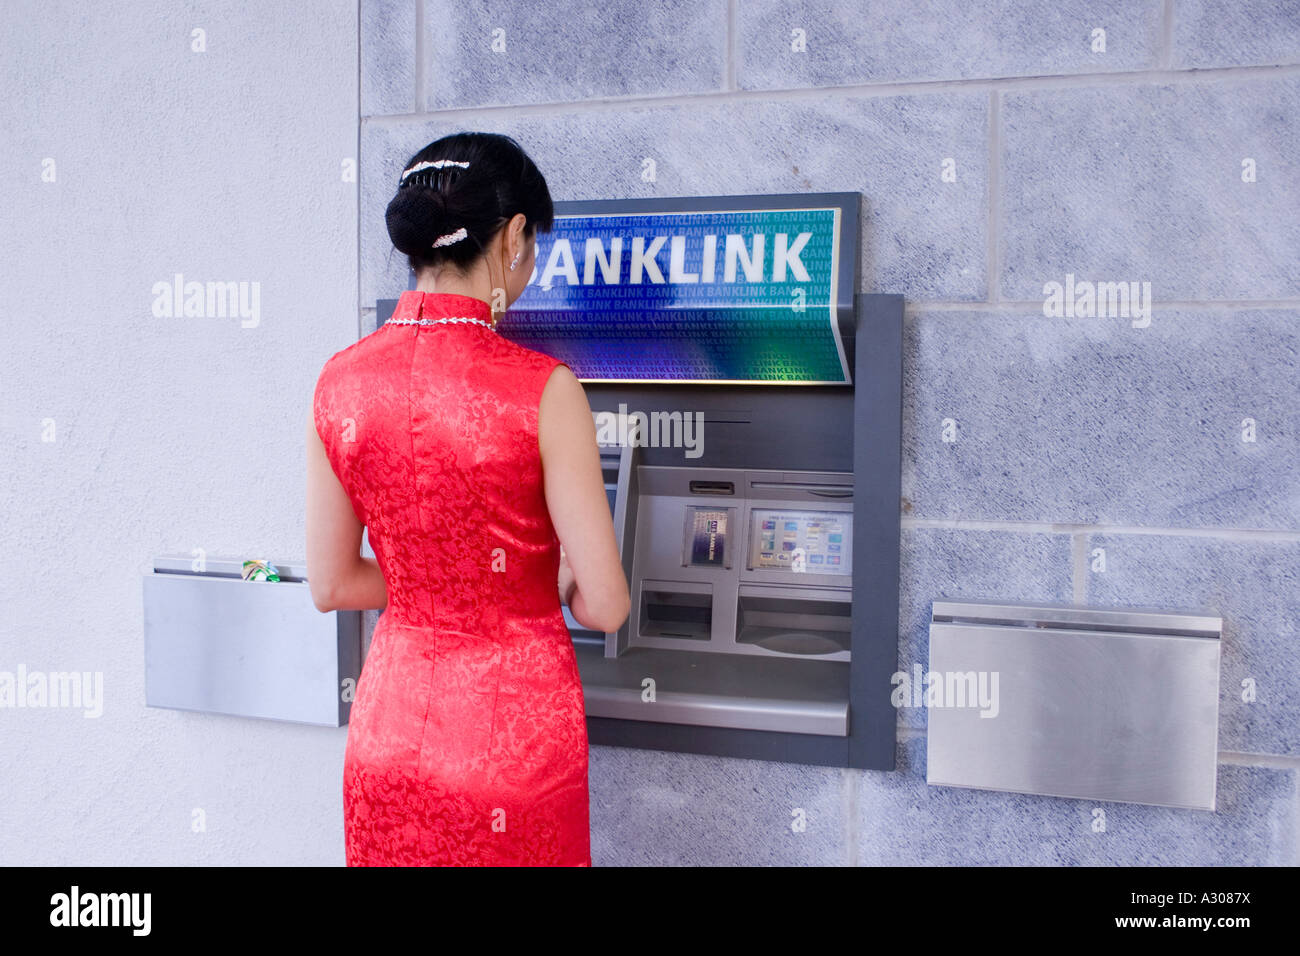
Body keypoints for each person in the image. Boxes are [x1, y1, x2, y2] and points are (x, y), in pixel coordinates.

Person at [305, 132, 629, 866]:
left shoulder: (339, 382)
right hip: (513, 749)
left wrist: (437, 580)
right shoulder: (546, 390)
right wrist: (544, 577)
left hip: (387, 739)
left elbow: (331, 583)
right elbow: (606, 604)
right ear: (512, 237)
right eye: (534, 244)